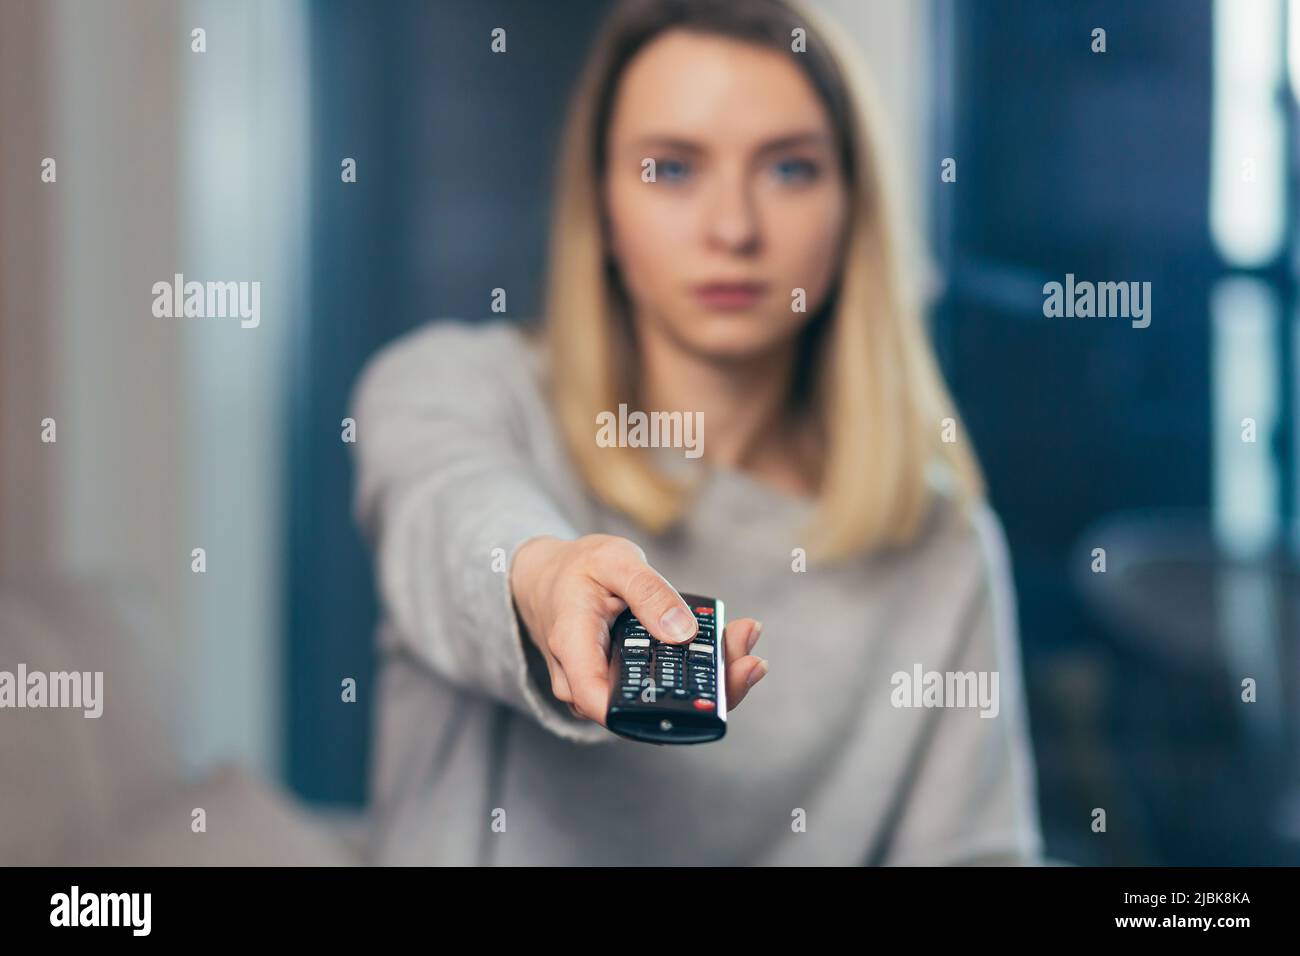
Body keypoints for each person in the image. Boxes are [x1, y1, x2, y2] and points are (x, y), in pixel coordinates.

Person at [350, 0, 1043, 865]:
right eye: (671, 169)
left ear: (851, 208)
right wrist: (542, 577)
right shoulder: (454, 388)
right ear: (599, 203)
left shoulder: (942, 548)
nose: (733, 230)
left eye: (789, 170)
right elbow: (450, 513)